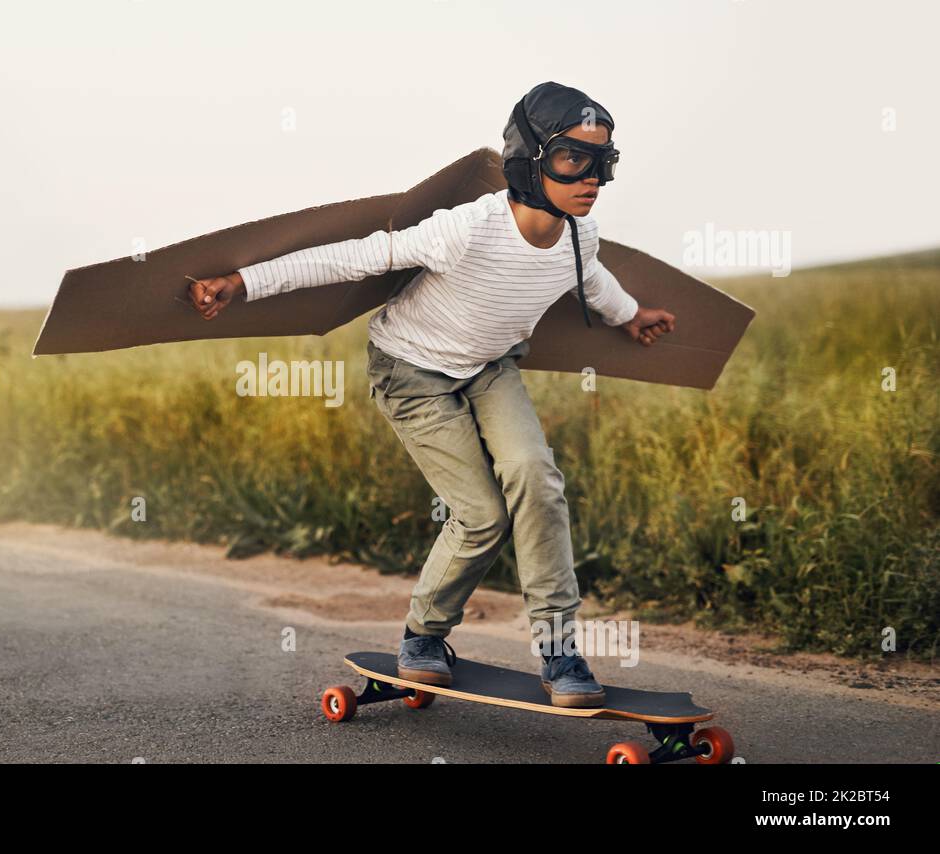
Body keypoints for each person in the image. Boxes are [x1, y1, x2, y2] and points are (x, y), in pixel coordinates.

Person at [187, 82, 674, 707]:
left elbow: (592, 278)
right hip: (411, 372)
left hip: (489, 367)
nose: (592, 179)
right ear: (529, 161)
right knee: (481, 517)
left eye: (603, 162)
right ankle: (423, 637)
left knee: (537, 478)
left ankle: (559, 650)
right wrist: (243, 281)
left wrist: (631, 316)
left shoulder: (582, 236)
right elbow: (357, 259)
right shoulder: (467, 229)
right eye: (573, 159)